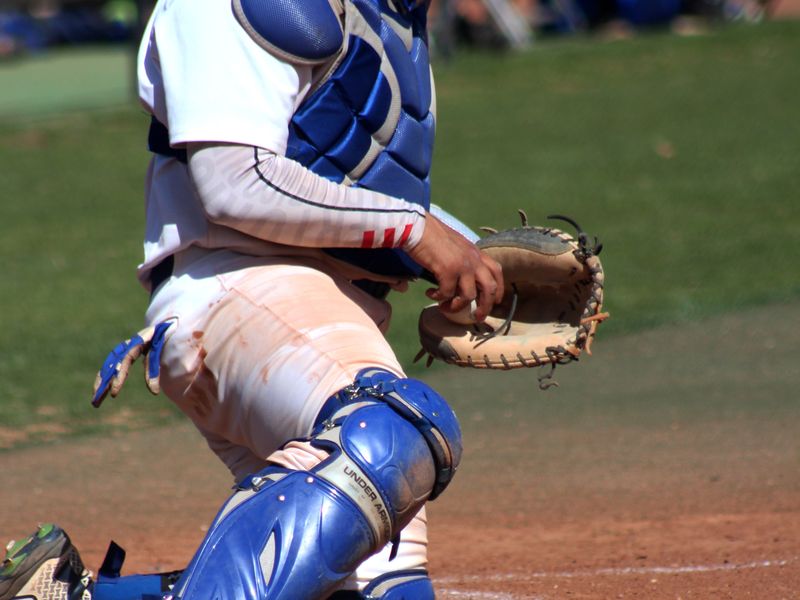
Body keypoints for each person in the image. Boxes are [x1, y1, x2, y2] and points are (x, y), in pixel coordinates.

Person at [0, 0, 503, 598]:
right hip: (235, 291)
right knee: (388, 434)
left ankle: (72, 595)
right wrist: (417, 232)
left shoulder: (395, 16)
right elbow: (234, 183)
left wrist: (472, 258)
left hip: (322, 316)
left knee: (378, 586)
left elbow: (343, 180)